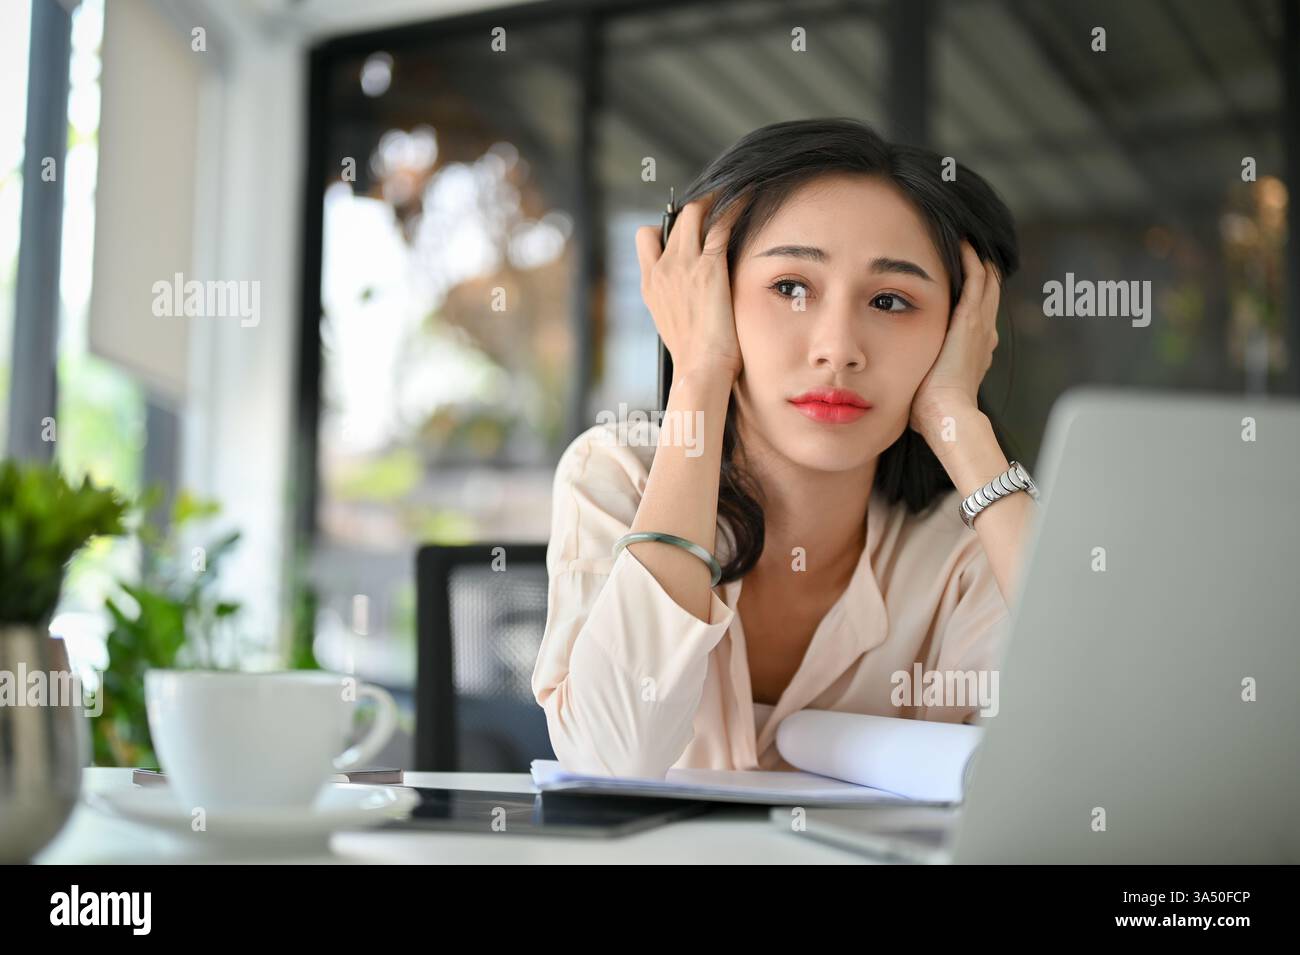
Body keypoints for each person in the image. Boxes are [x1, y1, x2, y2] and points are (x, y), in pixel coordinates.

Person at [532, 117, 1037, 779]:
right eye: (791, 287)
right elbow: (610, 759)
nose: (838, 348)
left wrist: (955, 420)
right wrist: (700, 369)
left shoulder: (969, 549)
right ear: (708, 299)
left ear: (956, 333)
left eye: (890, 300)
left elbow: (1099, 750)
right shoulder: (615, 475)